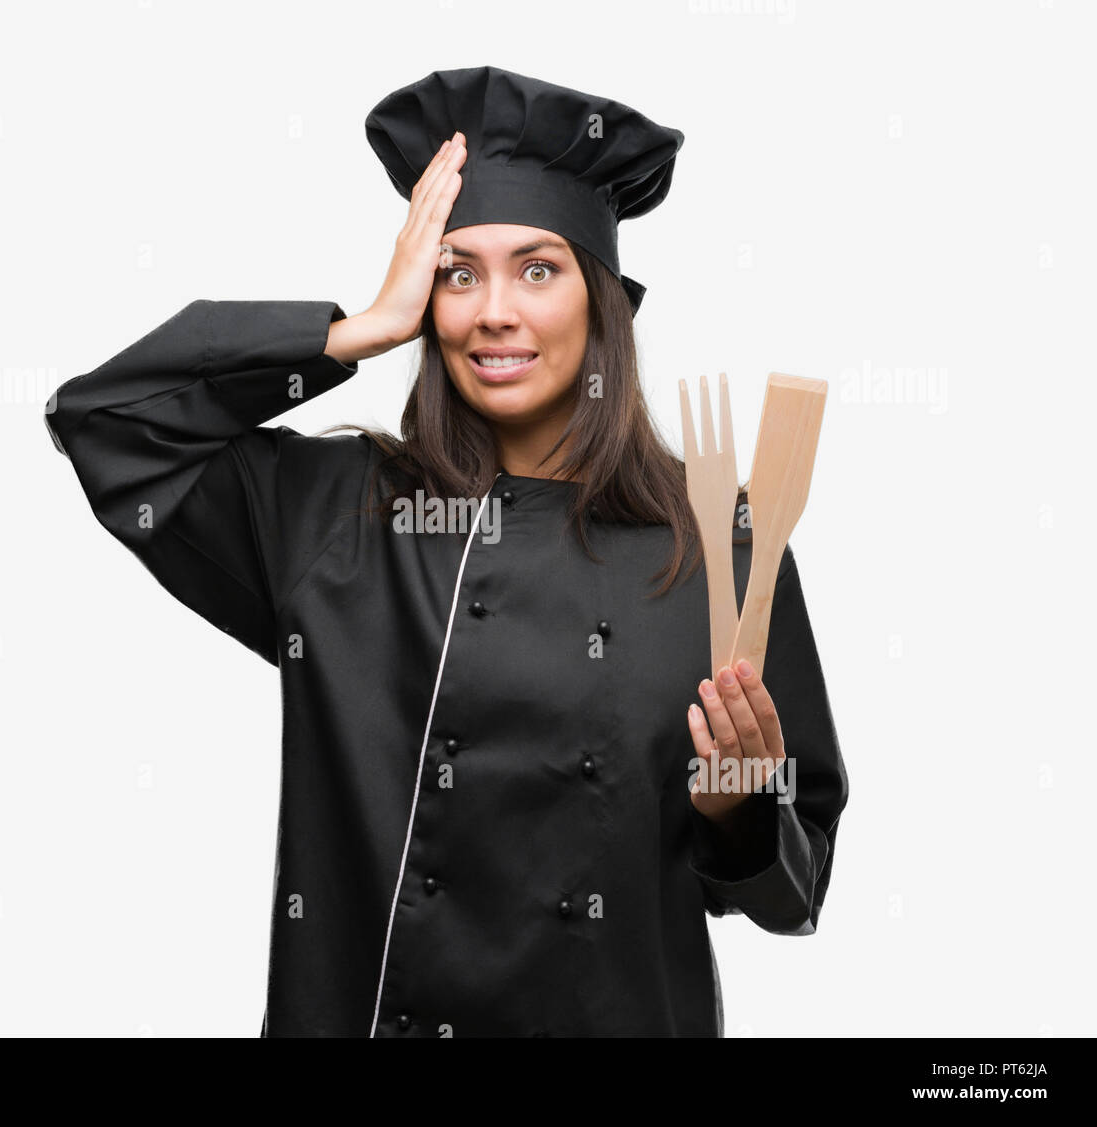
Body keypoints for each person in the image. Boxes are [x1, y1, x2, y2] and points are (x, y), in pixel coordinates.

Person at [44, 65, 848, 1037]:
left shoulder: (723, 548)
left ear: (601, 303)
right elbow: (100, 422)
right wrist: (352, 331)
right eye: (457, 272)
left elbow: (790, 899)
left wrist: (738, 811)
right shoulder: (331, 518)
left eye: (537, 269)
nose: (491, 311)